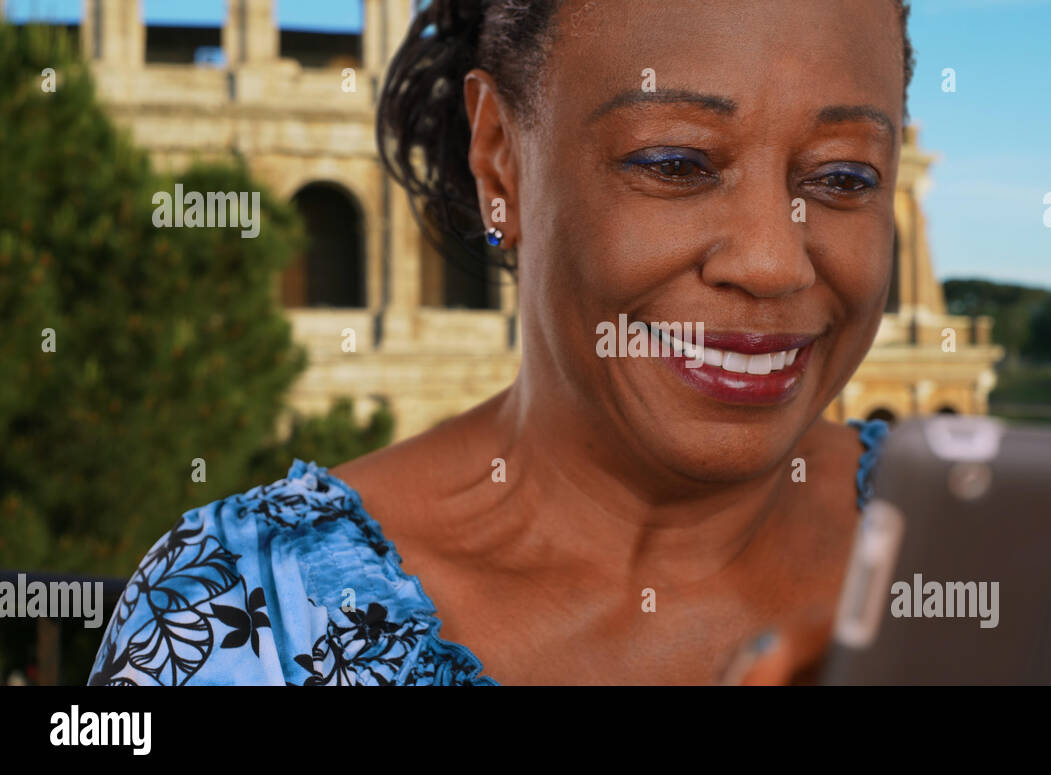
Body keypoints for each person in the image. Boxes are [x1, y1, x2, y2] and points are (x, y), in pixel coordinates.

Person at [89, 0, 912, 686]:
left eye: (843, 177)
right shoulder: (230, 617)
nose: (772, 260)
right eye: (676, 162)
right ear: (499, 164)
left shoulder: (991, 562)